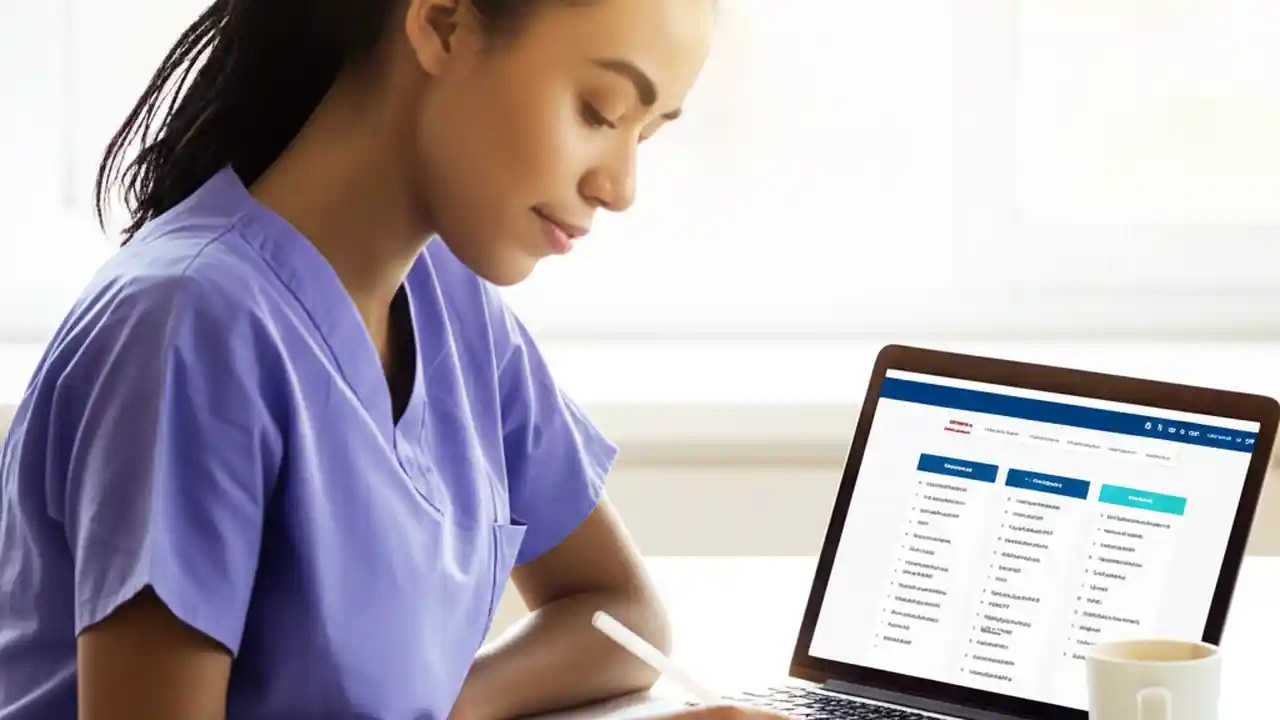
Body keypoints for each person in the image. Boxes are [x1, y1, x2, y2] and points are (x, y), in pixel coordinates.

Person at [0, 0, 790, 718]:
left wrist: (447, 710)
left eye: (645, 135)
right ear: (443, 23)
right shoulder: (189, 331)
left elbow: (619, 613)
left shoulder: (452, 303)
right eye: (599, 111)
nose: (620, 187)